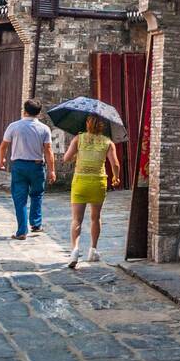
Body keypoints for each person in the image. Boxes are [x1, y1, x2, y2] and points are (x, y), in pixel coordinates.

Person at [62, 113, 120, 268]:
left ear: (87, 123)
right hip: (98, 181)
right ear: (103, 125)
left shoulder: (78, 139)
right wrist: (116, 177)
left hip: (80, 181)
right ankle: (93, 250)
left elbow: (66, 158)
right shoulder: (107, 142)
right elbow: (115, 164)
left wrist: (77, 157)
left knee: (76, 219)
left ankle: (74, 250)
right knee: (95, 217)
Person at [0, 99, 56, 240]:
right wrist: (52, 170)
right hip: (36, 166)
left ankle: (22, 231)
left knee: (20, 198)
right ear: (39, 113)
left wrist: (1, 159)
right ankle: (36, 224)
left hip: (19, 166)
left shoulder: (14, 126)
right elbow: (48, 151)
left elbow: (4, 145)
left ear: (24, 110)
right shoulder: (44, 129)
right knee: (37, 195)